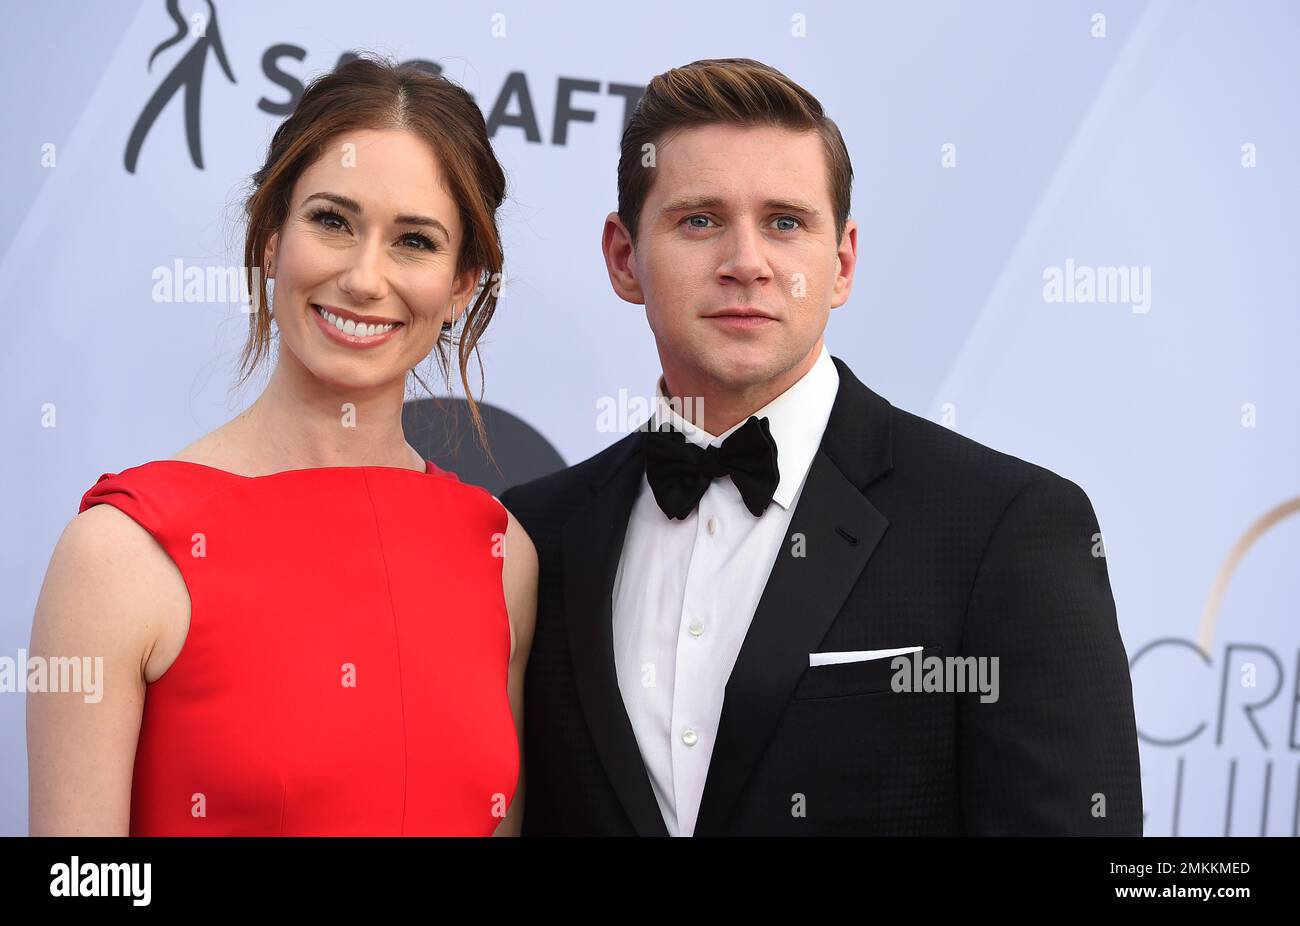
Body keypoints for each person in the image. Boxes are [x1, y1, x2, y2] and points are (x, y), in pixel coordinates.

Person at [499, 58, 1142, 836]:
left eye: (785, 222)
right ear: (623, 257)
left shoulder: (1006, 527)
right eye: (699, 220)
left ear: (840, 263)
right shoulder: (535, 537)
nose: (747, 262)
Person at [27, 56, 537, 836]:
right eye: (332, 221)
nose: (365, 279)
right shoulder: (122, 550)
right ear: (270, 237)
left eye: (415, 241)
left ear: (463, 282)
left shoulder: (501, 554)